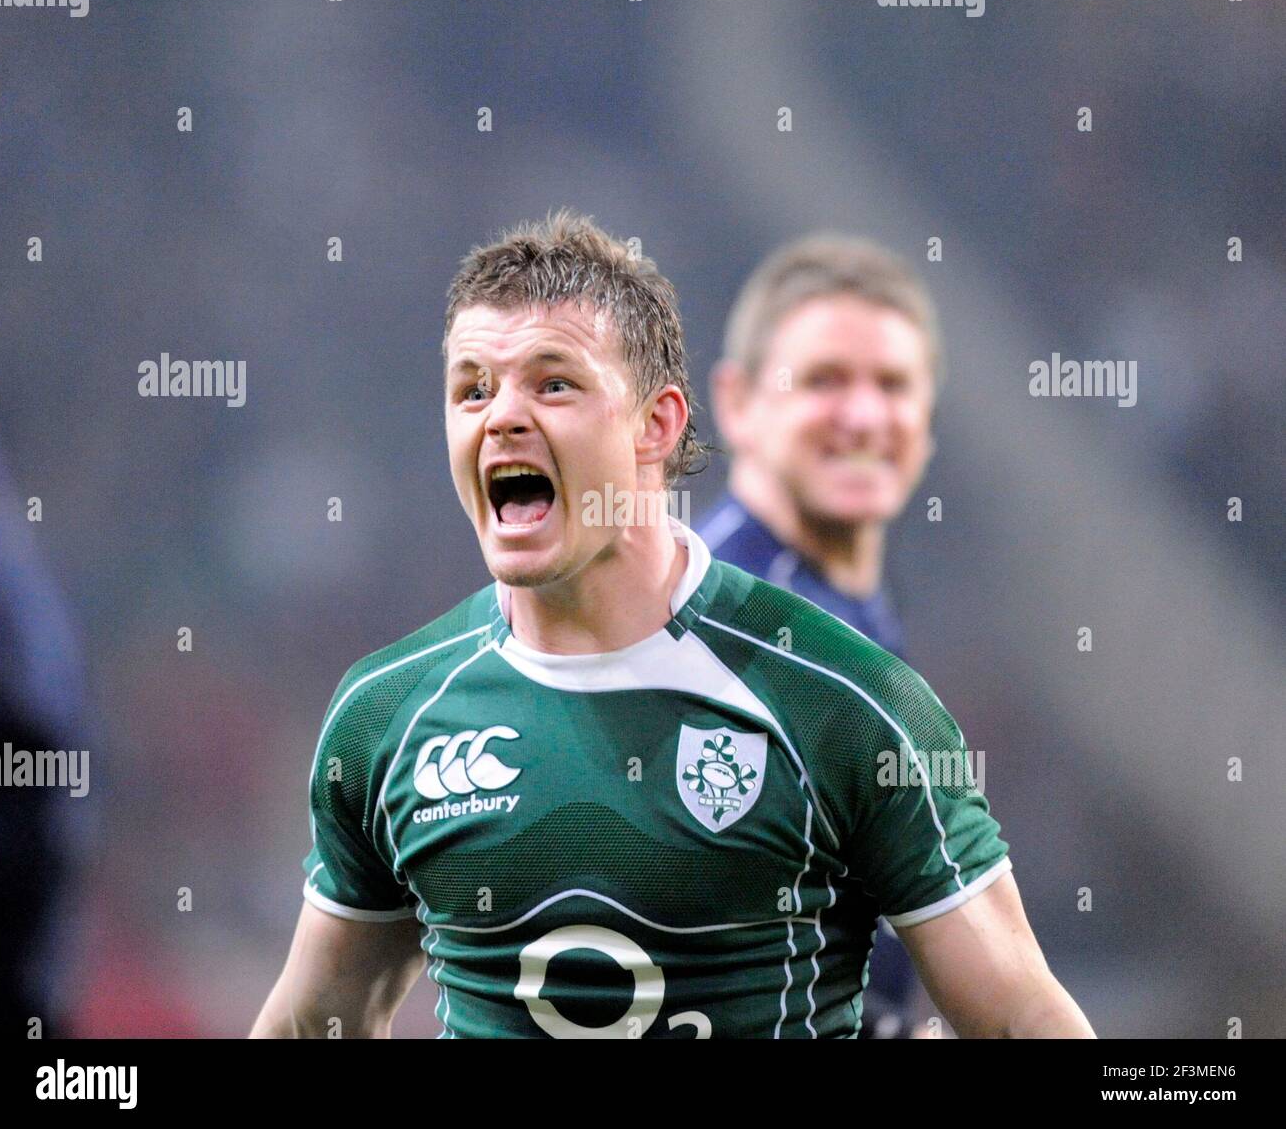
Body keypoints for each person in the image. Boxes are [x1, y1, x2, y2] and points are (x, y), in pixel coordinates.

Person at [251, 210, 1093, 1039]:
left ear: (658, 423)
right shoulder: (384, 717)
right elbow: (313, 1021)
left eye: (553, 383)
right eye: (472, 387)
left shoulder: (844, 701)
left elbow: (1020, 1017)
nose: (500, 415)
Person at [699, 234, 938, 1036]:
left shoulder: (849, 616)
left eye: (894, 385)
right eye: (826, 380)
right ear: (737, 405)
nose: (865, 414)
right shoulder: (721, 627)